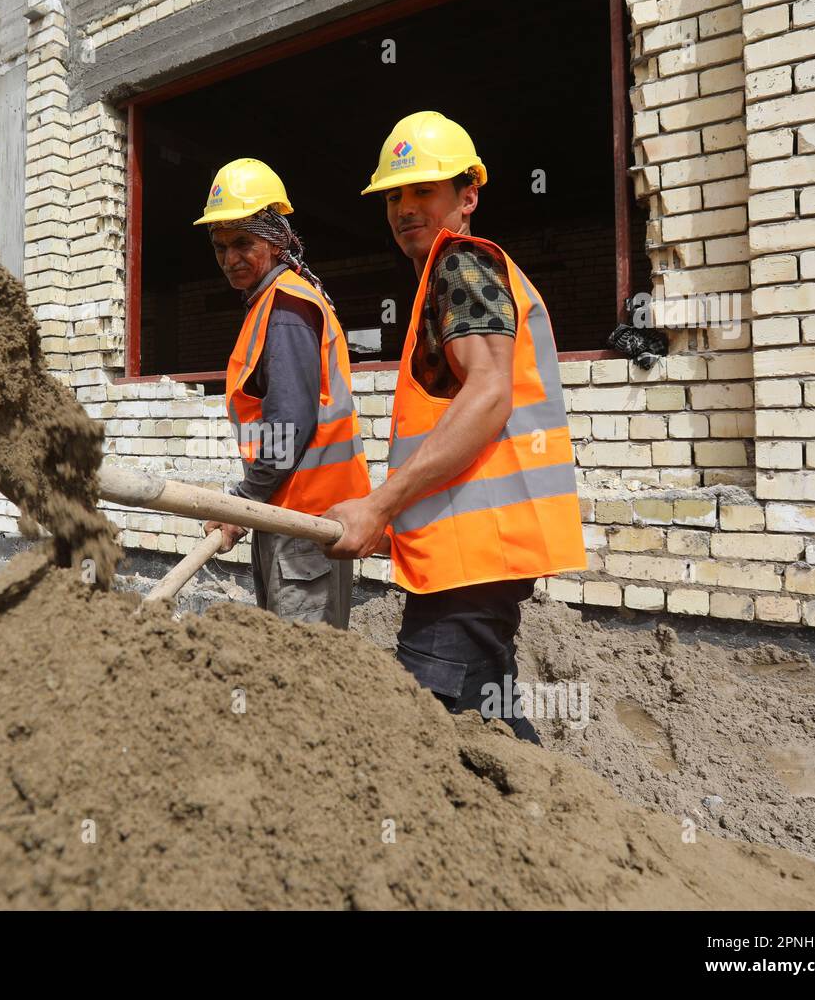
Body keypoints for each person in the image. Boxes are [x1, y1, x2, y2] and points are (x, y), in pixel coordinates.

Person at [323, 112, 586, 742]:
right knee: (485, 722)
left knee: (431, 734)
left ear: (468, 196)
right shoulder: (450, 277)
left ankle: (537, 825)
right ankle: (550, 821)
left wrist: (380, 506)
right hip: (467, 560)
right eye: (393, 195)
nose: (404, 208)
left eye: (423, 190)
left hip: (470, 564)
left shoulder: (461, 266)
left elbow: (489, 396)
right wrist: (398, 520)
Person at [195, 158, 371, 628]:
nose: (230, 259)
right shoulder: (280, 301)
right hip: (298, 517)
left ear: (275, 240)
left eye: (243, 244)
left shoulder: (286, 310)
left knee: (303, 671)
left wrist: (241, 504)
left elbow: (286, 428)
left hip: (302, 523)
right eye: (220, 247)